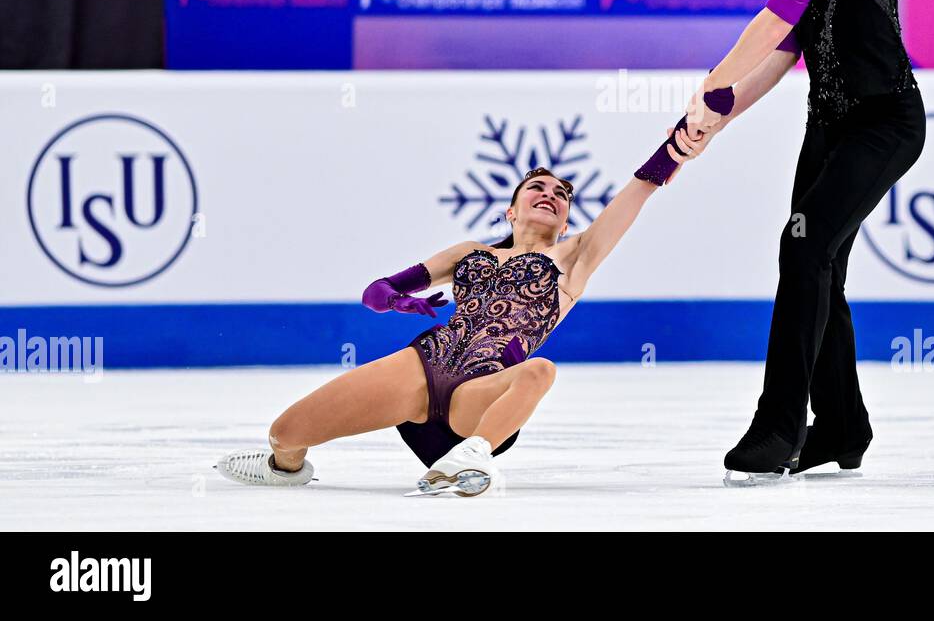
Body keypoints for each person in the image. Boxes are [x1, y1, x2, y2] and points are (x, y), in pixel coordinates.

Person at [676, 0, 927, 483]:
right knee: (814, 262)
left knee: (808, 253)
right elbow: (789, 51)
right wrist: (718, 117)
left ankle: (778, 429)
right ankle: (842, 426)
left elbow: (777, 17)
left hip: (882, 120)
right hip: (832, 120)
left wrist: (709, 86)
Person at [214, 142, 712, 496]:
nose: (550, 194)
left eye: (561, 194)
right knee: (285, 434)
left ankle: (474, 456)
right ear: (510, 210)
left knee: (542, 371)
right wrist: (401, 301)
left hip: (482, 396)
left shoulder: (575, 259)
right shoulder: (470, 253)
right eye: (537, 187)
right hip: (420, 366)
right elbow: (376, 292)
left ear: (567, 219)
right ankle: (285, 470)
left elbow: (640, 189)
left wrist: (676, 146)